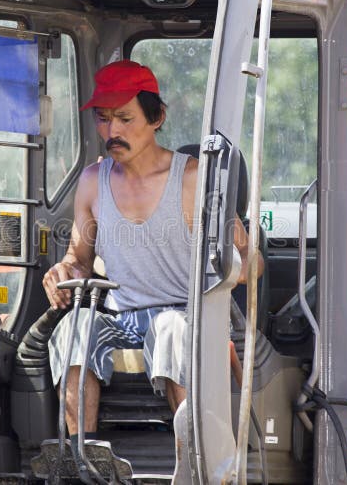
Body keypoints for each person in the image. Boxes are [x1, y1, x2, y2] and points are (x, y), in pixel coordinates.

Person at [42, 60, 262, 444]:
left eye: (125, 119)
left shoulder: (193, 179)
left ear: (156, 117)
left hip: (189, 315)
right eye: (103, 119)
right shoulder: (92, 182)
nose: (112, 131)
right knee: (72, 330)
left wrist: (233, 268)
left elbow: (252, 261)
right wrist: (64, 273)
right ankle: (81, 457)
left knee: (172, 329)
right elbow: (78, 260)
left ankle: (195, 457)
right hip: (124, 318)